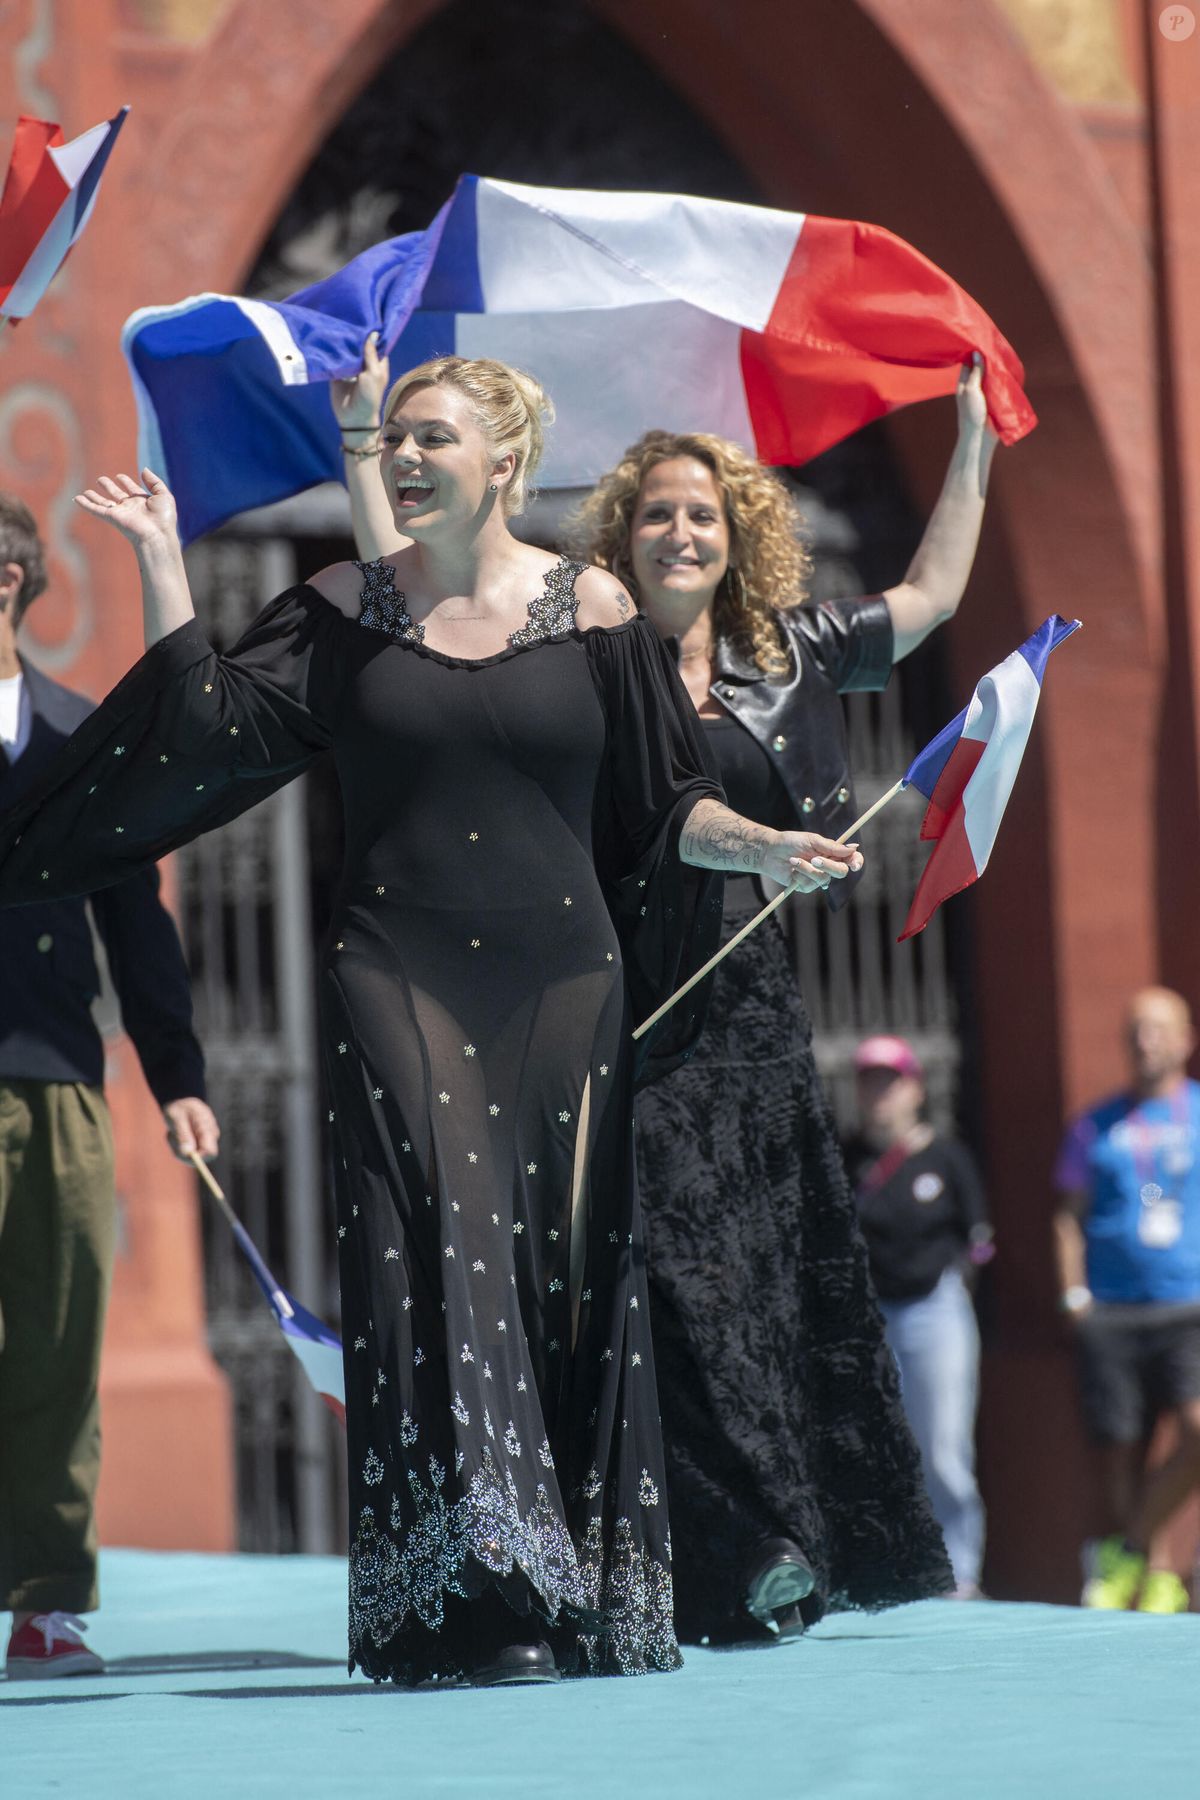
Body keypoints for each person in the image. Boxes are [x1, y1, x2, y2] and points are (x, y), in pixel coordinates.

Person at [0, 356, 863, 1687]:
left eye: (433, 438)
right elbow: (220, 731)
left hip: (566, 986)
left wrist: (765, 845)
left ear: (505, 461)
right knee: (445, 1258)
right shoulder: (345, 607)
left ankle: (567, 1582)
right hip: (394, 974)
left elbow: (665, 803)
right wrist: (168, 567)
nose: (405, 455)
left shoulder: (599, 609)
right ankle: (474, 1594)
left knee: (558, 1280)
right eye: (394, 438)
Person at [336, 339, 993, 1638]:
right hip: (610, 997)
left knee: (752, 1279)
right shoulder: (575, 638)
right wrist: (369, 445)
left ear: (734, 533)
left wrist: (970, 441)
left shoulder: (793, 652)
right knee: (652, 1280)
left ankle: (756, 1557)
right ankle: (734, 1539)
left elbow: (928, 596)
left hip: (747, 1013)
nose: (680, 532)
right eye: (656, 513)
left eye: (702, 513)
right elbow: (403, 604)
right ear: (621, 536)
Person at [0, 493, 218, 1679]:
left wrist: (175, 1075)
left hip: (54, 1087)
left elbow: (138, 922)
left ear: (10, 583)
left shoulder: (81, 735)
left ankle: (46, 1600)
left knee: (55, 1344)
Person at [1054, 986, 1200, 1615]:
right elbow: (1067, 1213)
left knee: (1196, 1431)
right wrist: (1074, 1295)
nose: (1145, 1042)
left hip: (1187, 1305)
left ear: (1187, 1038)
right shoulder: (1096, 1124)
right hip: (1113, 1311)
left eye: (1158, 1029)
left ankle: (1132, 1551)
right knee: (1122, 1451)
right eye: (1135, 1030)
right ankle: (1159, 1576)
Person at [844, 1035, 993, 1599]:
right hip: (870, 1320)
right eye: (868, 1080)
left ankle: (961, 1570)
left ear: (916, 1088)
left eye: (890, 1080)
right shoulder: (846, 1154)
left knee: (944, 1448)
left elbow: (977, 1240)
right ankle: (892, 1570)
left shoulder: (947, 1155)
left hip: (936, 1312)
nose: (879, 1092)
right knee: (877, 1448)